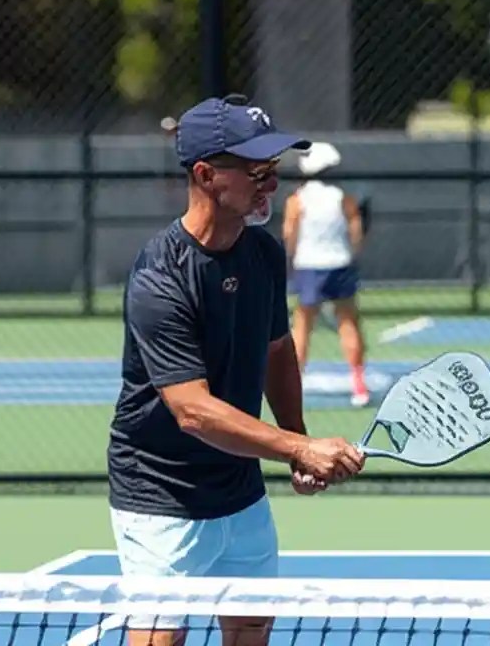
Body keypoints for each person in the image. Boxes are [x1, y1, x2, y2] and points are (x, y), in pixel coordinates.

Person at [108, 94, 366, 646]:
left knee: (251, 628)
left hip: (241, 490)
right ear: (205, 174)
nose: (271, 185)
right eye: (256, 172)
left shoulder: (265, 255)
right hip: (163, 496)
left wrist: (297, 436)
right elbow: (194, 412)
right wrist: (296, 450)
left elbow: (277, 350)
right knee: (160, 639)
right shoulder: (159, 277)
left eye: (274, 171)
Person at [281, 142, 371, 407]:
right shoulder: (344, 199)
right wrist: (349, 254)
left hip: (309, 266)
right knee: (348, 322)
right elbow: (356, 233)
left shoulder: (297, 200)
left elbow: (289, 235)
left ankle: (293, 385)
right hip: (339, 265)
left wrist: (295, 259)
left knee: (302, 326)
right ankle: (359, 385)